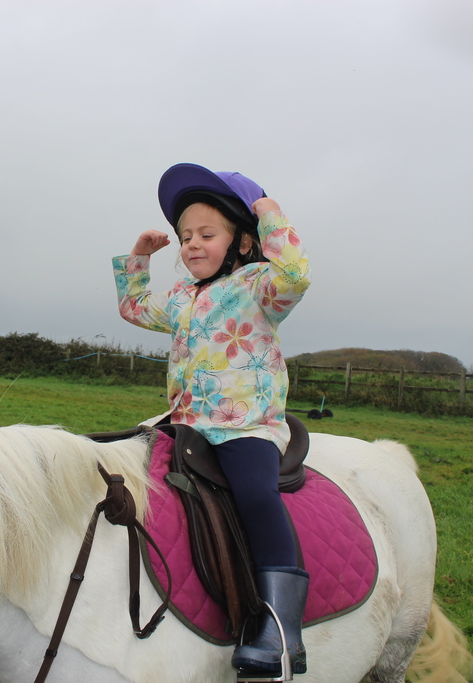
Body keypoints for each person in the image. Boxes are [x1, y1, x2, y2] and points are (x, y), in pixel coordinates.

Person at [113, 163, 311, 676]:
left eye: (206, 234)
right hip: (186, 423)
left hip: (245, 424)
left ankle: (281, 625)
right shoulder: (183, 296)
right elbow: (133, 308)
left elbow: (296, 276)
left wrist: (268, 213)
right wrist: (140, 256)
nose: (192, 245)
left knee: (255, 494)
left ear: (242, 241)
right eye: (185, 237)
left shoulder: (258, 285)